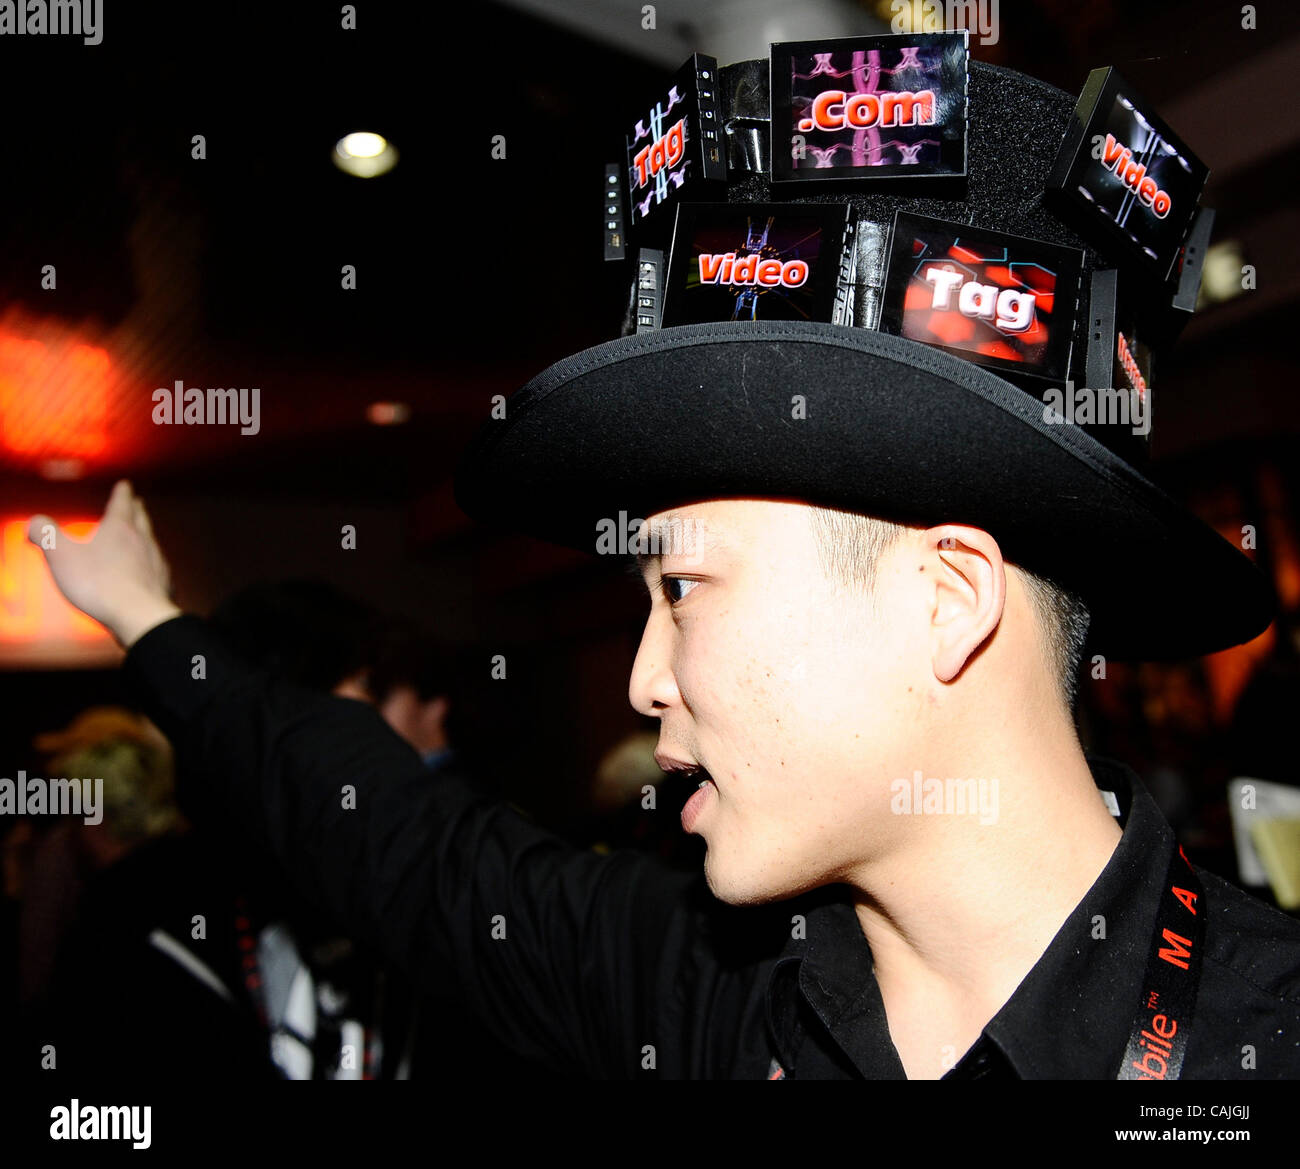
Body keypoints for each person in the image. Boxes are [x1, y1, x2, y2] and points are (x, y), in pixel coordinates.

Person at [26, 50, 1300, 1079]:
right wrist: (149, 618)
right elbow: (397, 845)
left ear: (943, 599)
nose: (642, 678)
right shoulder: (698, 988)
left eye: (681, 589)